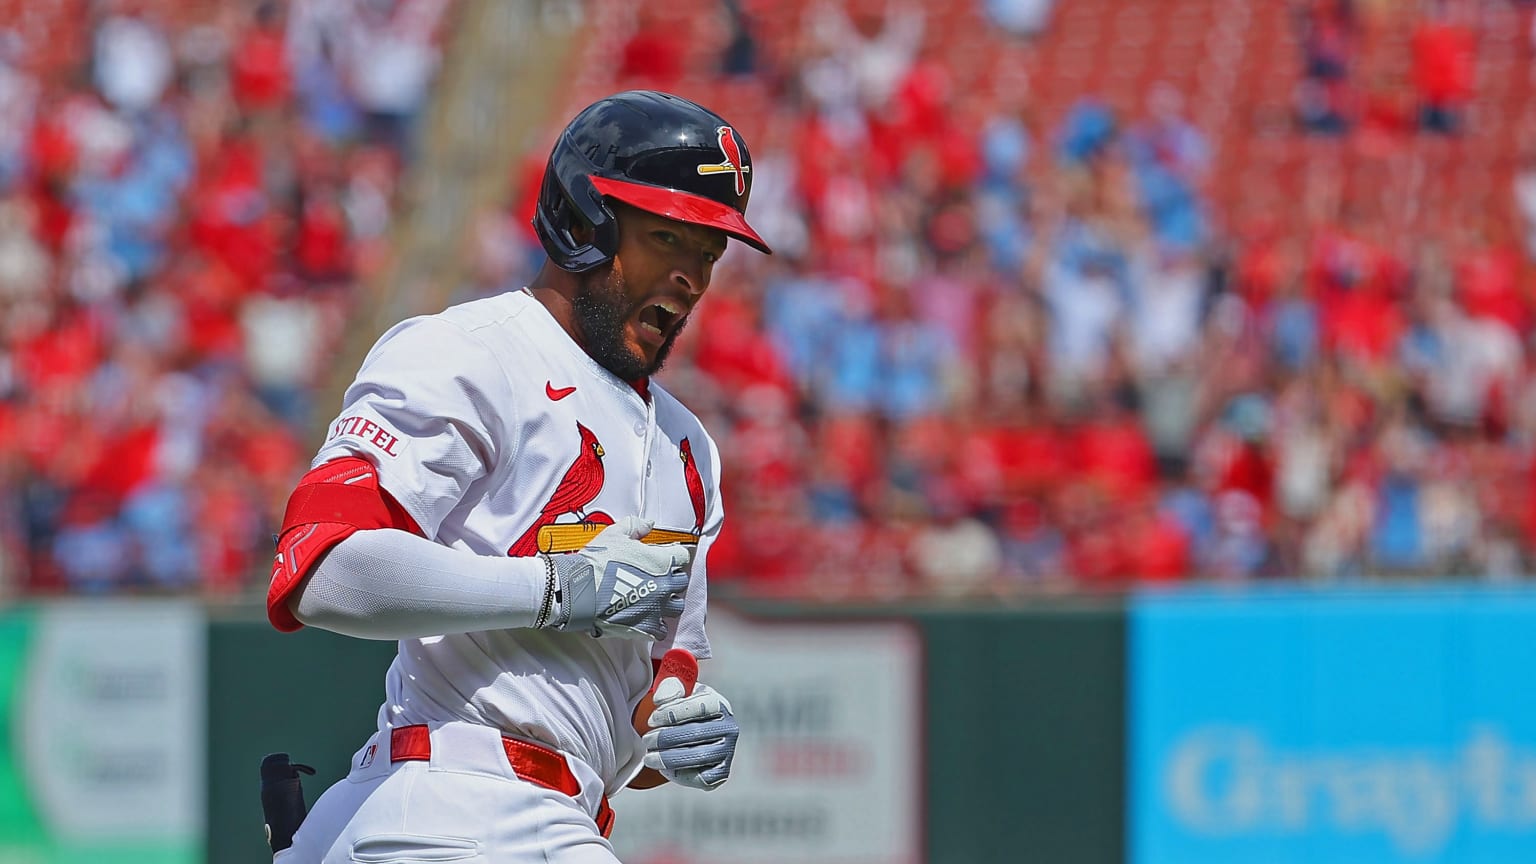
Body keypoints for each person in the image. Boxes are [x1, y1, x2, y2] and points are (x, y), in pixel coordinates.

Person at [264, 90, 771, 862]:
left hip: (546, 814)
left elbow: (661, 672)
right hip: (451, 805)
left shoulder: (688, 446)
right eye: (669, 237)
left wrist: (679, 725)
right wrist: (556, 588)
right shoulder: (470, 351)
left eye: (709, 253)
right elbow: (324, 569)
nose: (693, 278)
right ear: (583, 222)